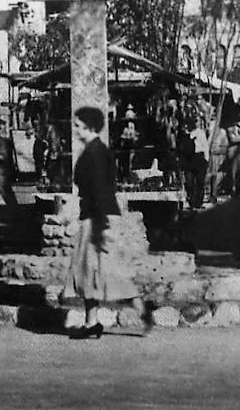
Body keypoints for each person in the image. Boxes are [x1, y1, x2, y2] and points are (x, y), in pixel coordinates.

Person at [64, 105, 150, 339]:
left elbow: (101, 189)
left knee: (109, 270)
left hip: (98, 217)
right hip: (93, 216)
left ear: (90, 127)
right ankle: (91, 322)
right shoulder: (92, 150)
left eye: (79, 126)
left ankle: (140, 308)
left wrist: (100, 225)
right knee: (87, 272)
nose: (76, 130)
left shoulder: (97, 153)